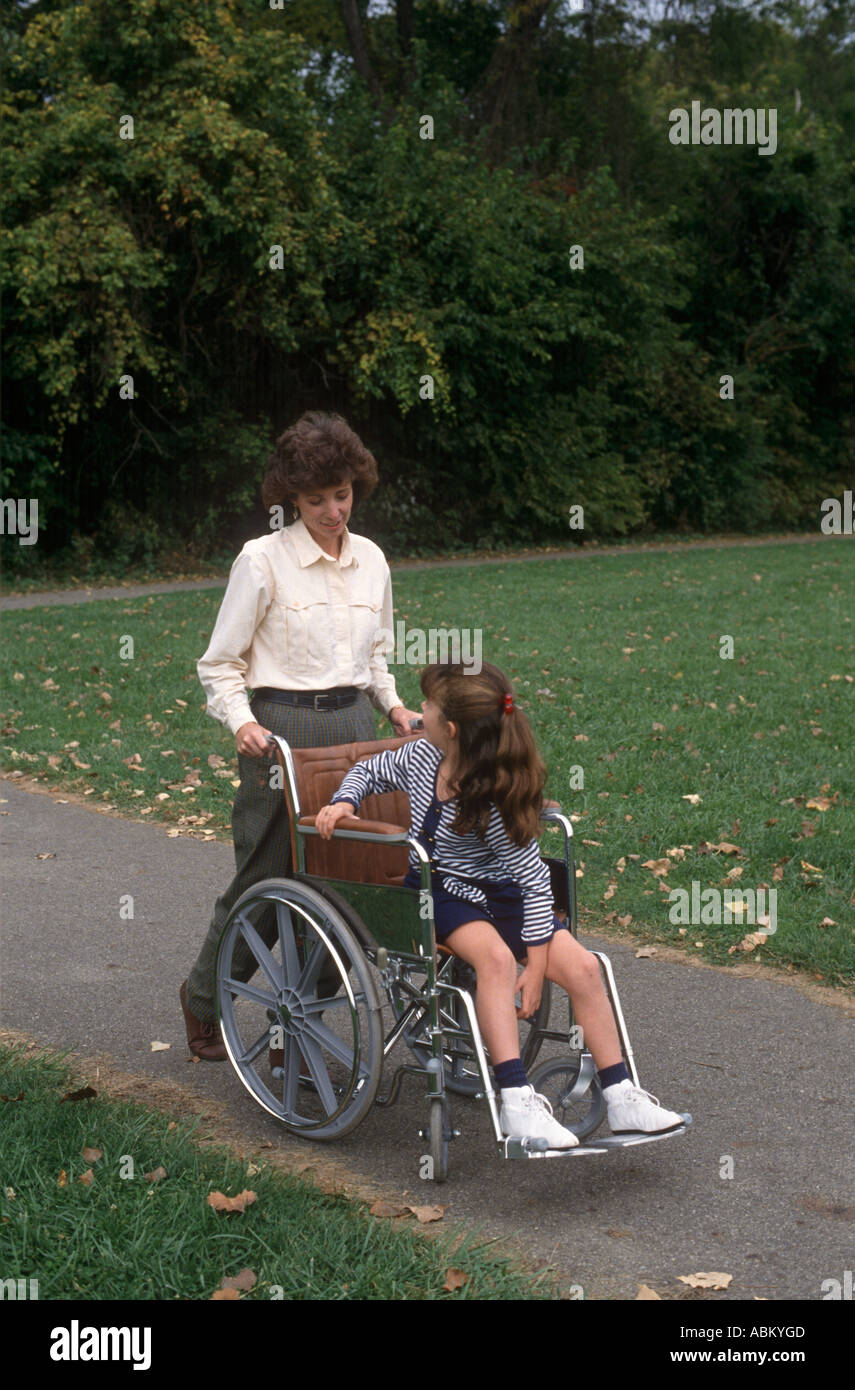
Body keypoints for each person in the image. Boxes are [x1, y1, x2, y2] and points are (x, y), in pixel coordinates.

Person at [315, 660, 685, 1149]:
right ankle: (515, 1099)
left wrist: (538, 963)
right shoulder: (419, 758)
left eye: (425, 706)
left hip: (504, 894)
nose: (416, 712)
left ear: (450, 729)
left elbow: (533, 884)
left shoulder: (496, 793)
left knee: (585, 969)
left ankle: (621, 1094)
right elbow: (367, 771)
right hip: (437, 892)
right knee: (493, 959)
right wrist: (345, 800)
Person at [180, 411, 419, 1060]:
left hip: (353, 728)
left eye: (341, 495)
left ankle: (295, 1028)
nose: (333, 511)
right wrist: (243, 721)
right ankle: (203, 998)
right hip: (281, 731)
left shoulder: (371, 561)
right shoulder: (262, 562)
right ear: (290, 498)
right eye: (316, 500)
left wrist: (395, 707)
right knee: (267, 876)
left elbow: (376, 657)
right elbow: (219, 662)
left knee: (344, 879)